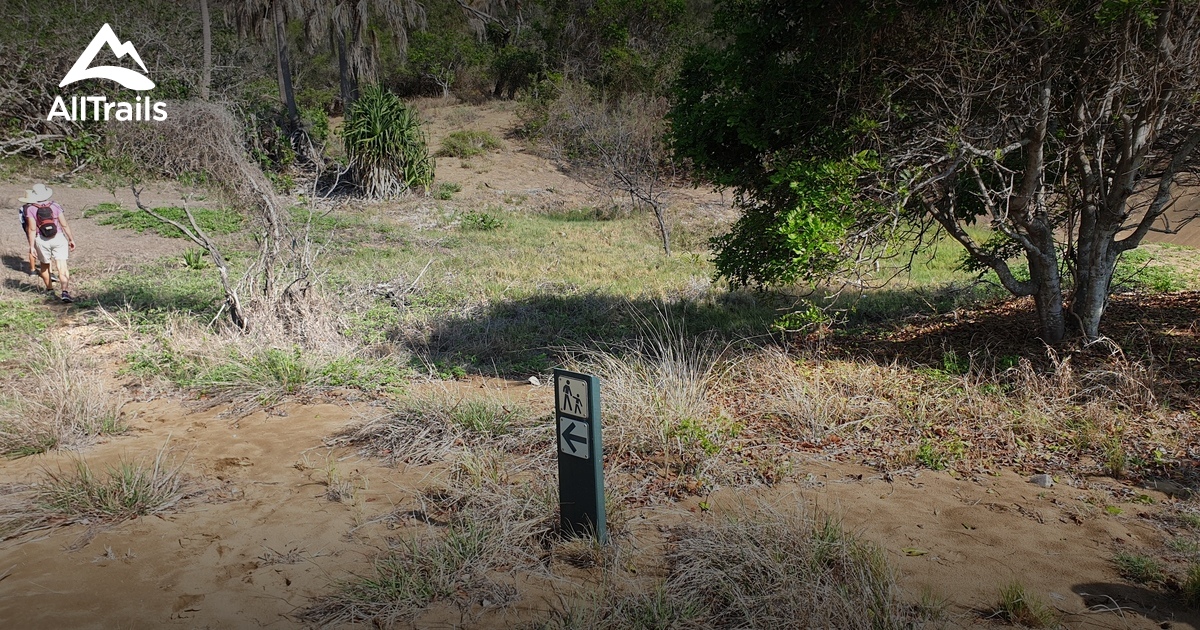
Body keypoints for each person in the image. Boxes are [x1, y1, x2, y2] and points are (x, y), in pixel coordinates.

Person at [21, 183, 76, 303]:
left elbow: (32, 229)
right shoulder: (55, 205)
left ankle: (50, 290)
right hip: (59, 237)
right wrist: (71, 239)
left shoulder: (30, 209)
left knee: (45, 265)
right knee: (62, 266)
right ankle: (65, 292)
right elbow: (64, 224)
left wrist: (31, 246)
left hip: (41, 239)